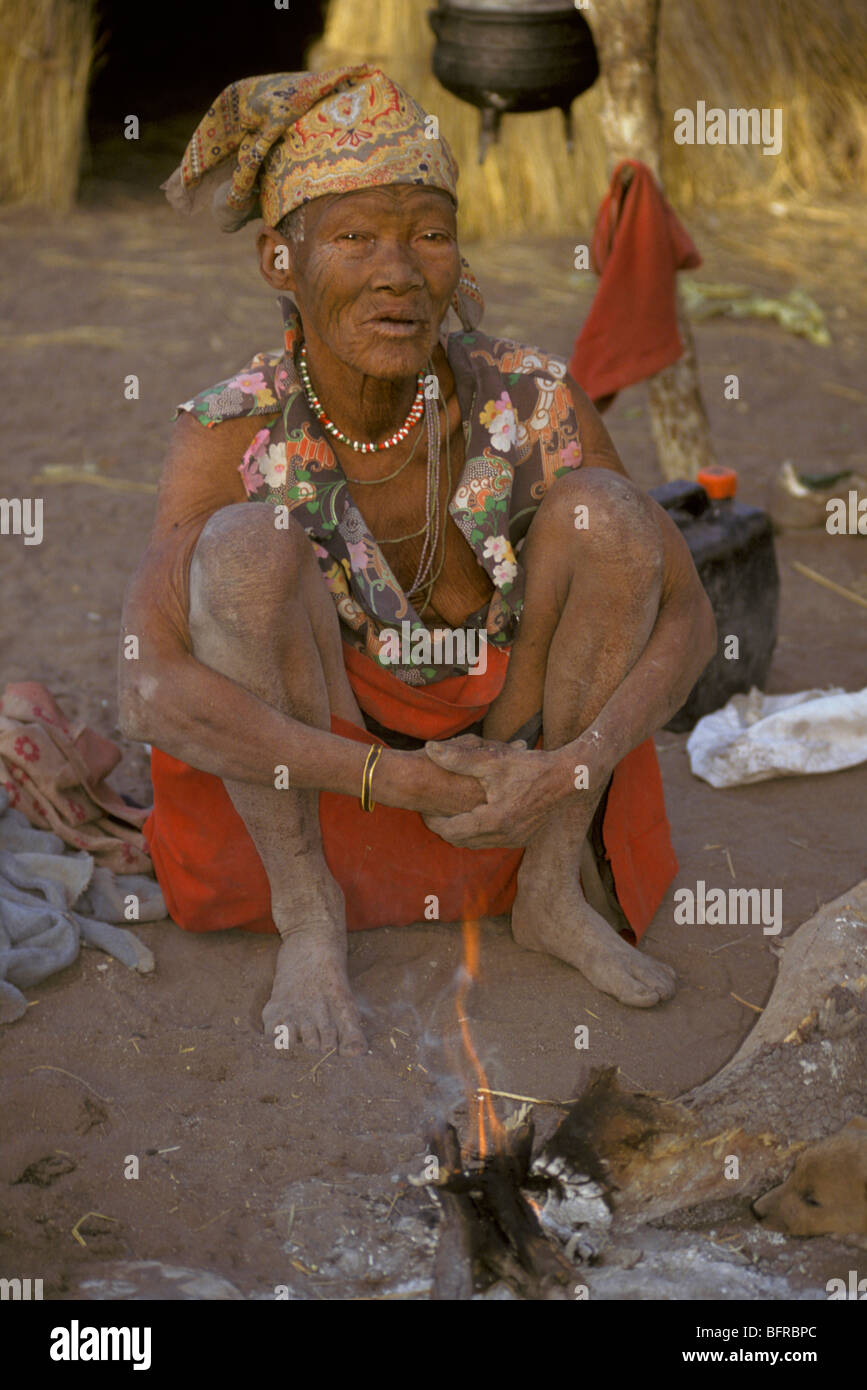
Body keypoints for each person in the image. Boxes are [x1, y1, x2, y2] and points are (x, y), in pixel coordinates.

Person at [119, 66, 717, 1058]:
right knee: (241, 551)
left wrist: (567, 769)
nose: (398, 270)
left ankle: (549, 891)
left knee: (613, 517)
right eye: (355, 237)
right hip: (336, 779)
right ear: (280, 260)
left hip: (518, 787)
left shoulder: (533, 398)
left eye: (429, 234)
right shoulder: (229, 428)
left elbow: (689, 620)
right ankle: (310, 917)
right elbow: (148, 691)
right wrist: (394, 780)